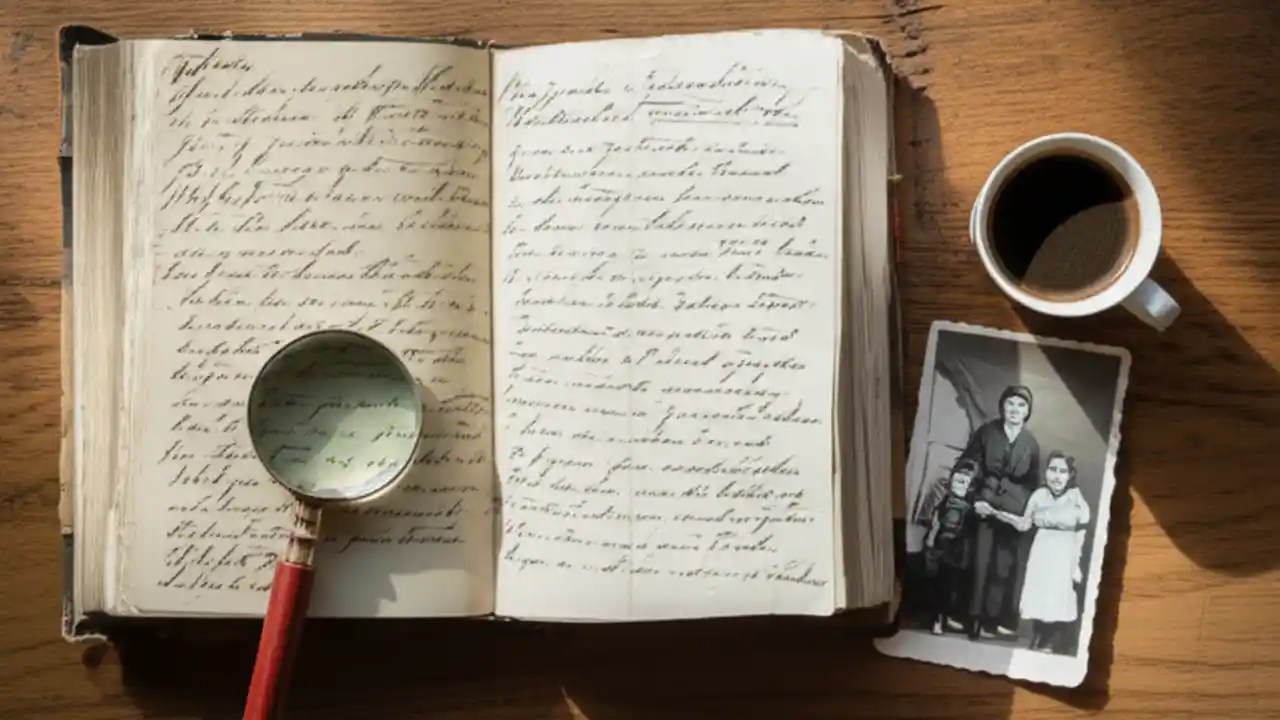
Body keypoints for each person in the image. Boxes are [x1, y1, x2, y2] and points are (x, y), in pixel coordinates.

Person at [960, 384, 1040, 641]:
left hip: (1011, 513)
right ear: (1002, 406)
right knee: (979, 562)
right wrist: (975, 499)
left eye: (1021, 405)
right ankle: (972, 619)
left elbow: (1032, 484)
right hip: (983, 506)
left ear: (1027, 411)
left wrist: (1022, 513)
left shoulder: (1031, 443)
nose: (1015, 409)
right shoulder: (986, 432)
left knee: (1001, 568)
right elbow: (967, 465)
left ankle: (991, 621)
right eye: (1010, 403)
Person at [994, 451, 1091, 653]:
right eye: (1052, 470)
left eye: (1062, 471)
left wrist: (1076, 565)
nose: (1056, 476)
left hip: (1065, 550)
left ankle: (1052, 639)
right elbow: (1023, 524)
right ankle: (1039, 635)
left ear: (1070, 475)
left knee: (1059, 593)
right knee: (1039, 590)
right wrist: (995, 513)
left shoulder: (1076, 500)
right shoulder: (1039, 495)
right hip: (1042, 546)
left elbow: (1080, 534)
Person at [923, 459, 979, 635]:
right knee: (942, 583)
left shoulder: (970, 506)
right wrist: (931, 540)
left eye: (964, 482)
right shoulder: (945, 501)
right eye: (956, 480)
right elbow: (935, 522)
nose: (959, 485)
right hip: (944, 545)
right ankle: (938, 618)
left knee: (956, 584)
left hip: (960, 548)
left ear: (970, 486)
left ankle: (949, 616)